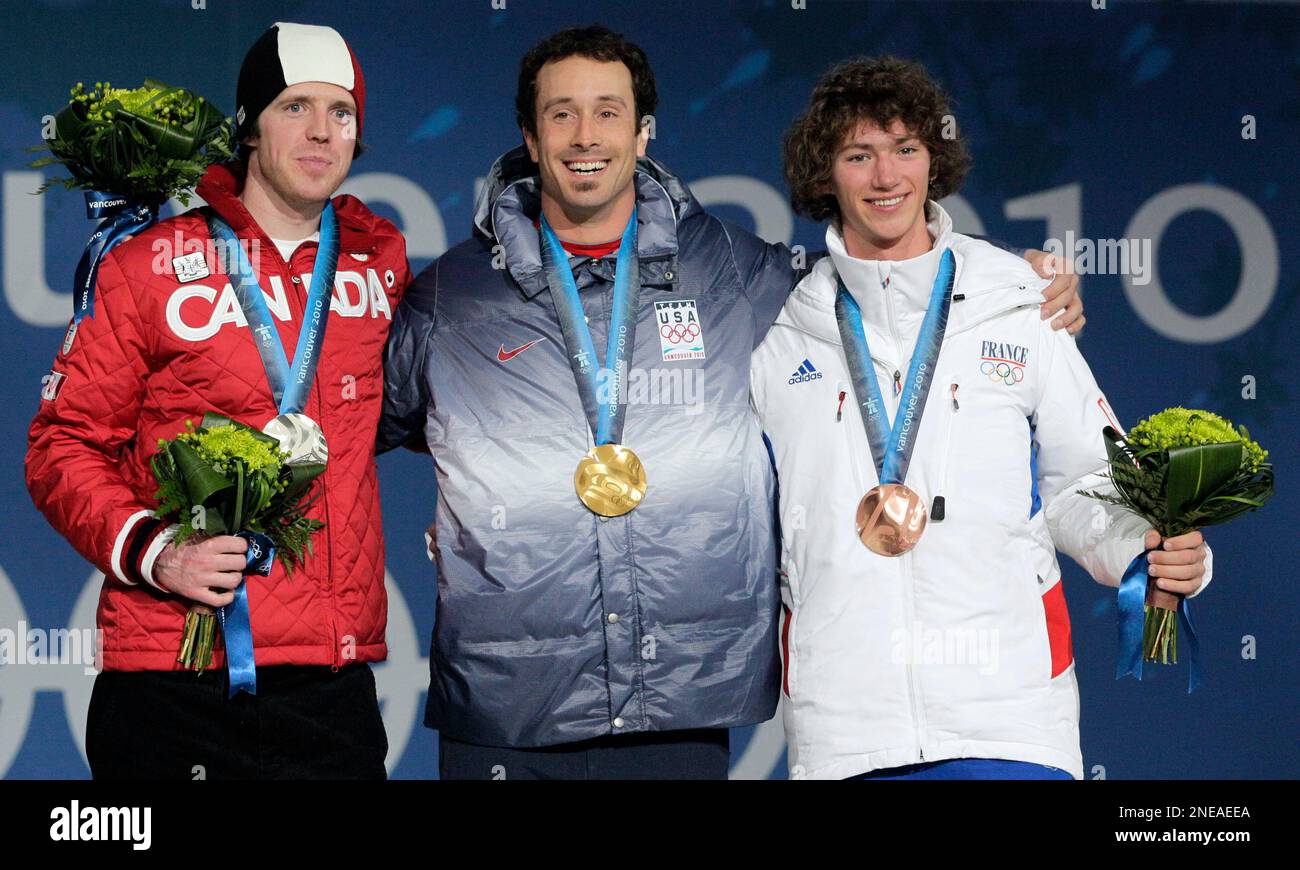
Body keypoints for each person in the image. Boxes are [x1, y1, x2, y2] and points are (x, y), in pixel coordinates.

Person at [379, 25, 1082, 780]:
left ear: (645, 133)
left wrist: (1013, 273)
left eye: (609, 112)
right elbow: (357, 428)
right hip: (504, 704)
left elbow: (888, 285)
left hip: (678, 704)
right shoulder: (452, 297)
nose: (587, 136)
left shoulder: (737, 273)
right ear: (529, 132)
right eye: (562, 114)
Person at [752, 55, 1212, 780]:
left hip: (1010, 720)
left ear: (934, 161)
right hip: (845, 731)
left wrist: (1145, 550)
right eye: (858, 155)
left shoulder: (1016, 301)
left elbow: (1085, 479)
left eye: (906, 150)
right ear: (824, 174)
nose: (886, 177)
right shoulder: (780, 333)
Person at [25, 22, 408, 779]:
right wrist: (156, 552)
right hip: (173, 681)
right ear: (249, 126)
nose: (322, 131)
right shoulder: (149, 266)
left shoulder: (380, 259)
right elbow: (61, 445)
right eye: (296, 106)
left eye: (342, 113)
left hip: (330, 690)